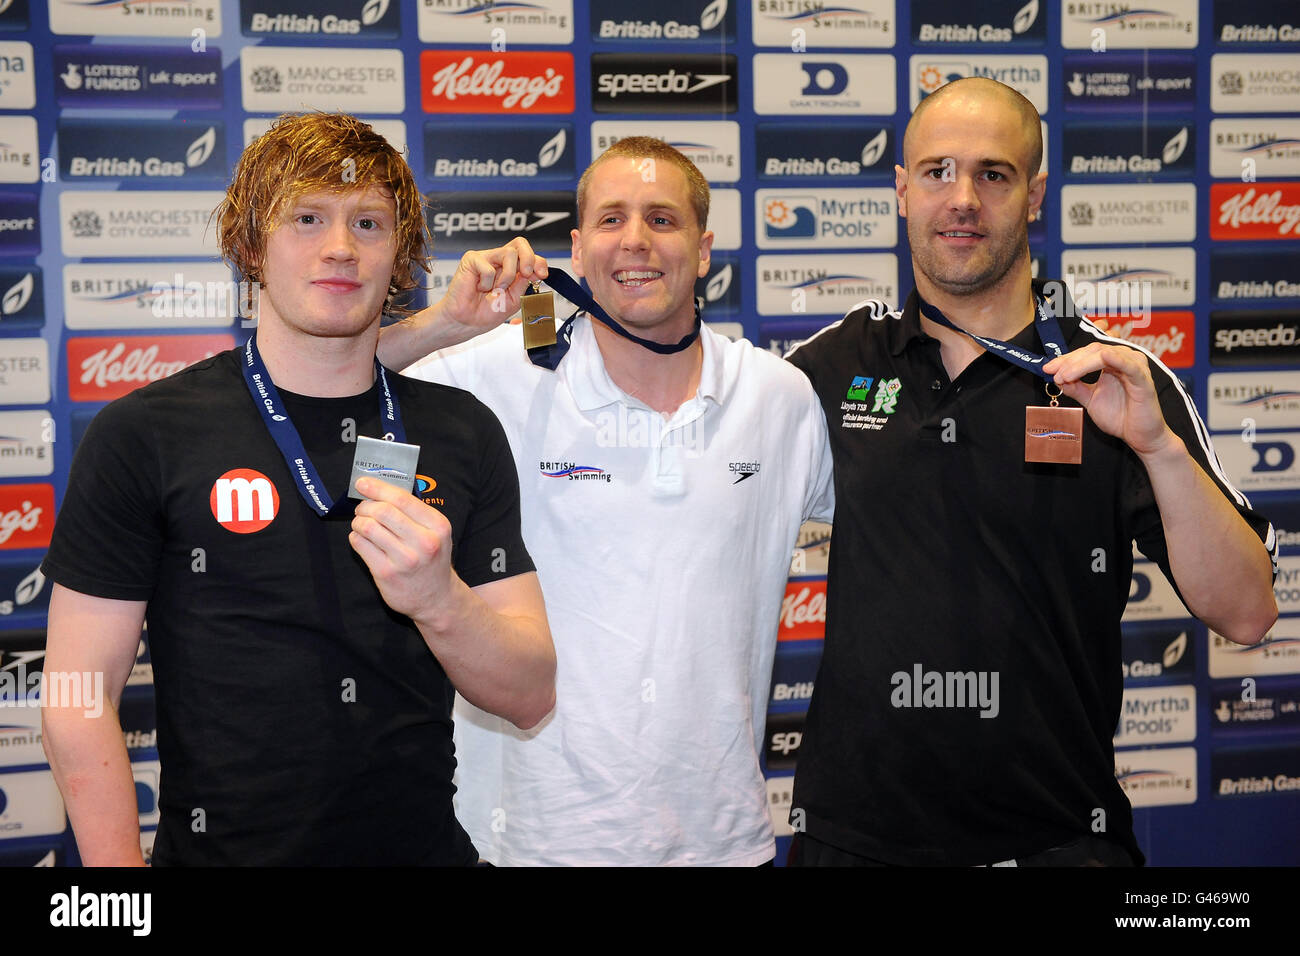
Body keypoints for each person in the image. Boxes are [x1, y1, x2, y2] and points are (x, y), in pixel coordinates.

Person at [784, 77, 1279, 866]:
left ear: (1036, 193)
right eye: (938, 172)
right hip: (856, 844)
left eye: (994, 173)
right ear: (901, 191)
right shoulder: (832, 366)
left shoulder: (1114, 377)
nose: (964, 198)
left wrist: (1157, 449)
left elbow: (1249, 612)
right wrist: (529, 325)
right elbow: (676, 406)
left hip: (1057, 845)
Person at [39, 112, 556, 866]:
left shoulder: (461, 430)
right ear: (252, 246)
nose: (341, 247)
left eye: (370, 223)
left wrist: (439, 600)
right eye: (307, 218)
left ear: (401, 255)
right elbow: (78, 701)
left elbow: (531, 691)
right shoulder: (146, 434)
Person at [379, 137, 834, 865]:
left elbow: (903, 529)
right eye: (612, 219)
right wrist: (444, 325)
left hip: (720, 840)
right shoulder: (496, 374)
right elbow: (325, 375)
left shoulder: (777, 397)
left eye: (662, 218)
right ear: (578, 246)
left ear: (705, 247)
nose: (636, 241)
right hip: (531, 841)